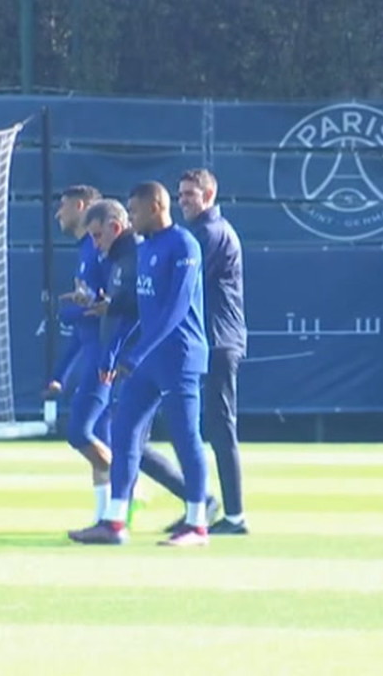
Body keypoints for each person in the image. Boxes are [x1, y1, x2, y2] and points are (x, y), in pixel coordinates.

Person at [69, 182, 211, 547]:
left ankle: (197, 524)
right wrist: (117, 351)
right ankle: (114, 521)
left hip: (179, 355)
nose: (131, 219)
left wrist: (136, 353)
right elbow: (137, 309)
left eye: (134, 211)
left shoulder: (184, 245)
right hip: (148, 359)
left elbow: (175, 309)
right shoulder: (145, 249)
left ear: (155, 206)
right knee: (123, 431)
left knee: (185, 435)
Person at [178, 168, 248, 535]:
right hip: (204, 341)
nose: (183, 201)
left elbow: (182, 283)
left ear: (209, 196)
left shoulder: (211, 233)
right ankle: (199, 504)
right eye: (180, 195)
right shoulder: (198, 232)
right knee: (191, 424)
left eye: (190, 194)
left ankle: (235, 516)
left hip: (218, 342)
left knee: (220, 428)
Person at [42, 184, 114, 524]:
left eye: (64, 205)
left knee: (81, 434)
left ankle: (126, 490)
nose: (59, 212)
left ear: (82, 206)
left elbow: (104, 308)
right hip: (94, 354)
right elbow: (84, 324)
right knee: (102, 437)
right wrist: (60, 374)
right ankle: (108, 517)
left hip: (105, 358)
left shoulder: (99, 252)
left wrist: (71, 310)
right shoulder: (86, 251)